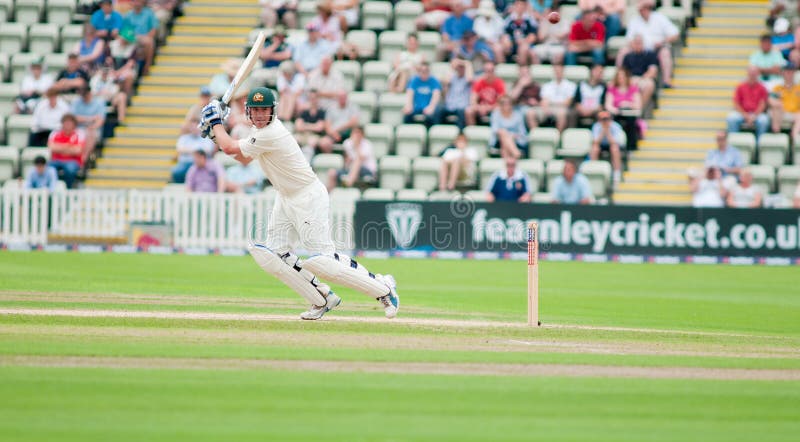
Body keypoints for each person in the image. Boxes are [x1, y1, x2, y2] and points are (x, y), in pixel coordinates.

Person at [200, 86, 400, 320]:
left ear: (273, 112)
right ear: (248, 112)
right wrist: (215, 134)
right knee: (275, 255)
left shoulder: (271, 133)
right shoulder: (259, 136)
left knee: (326, 262)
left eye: (264, 110)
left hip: (307, 197)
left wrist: (215, 124)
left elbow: (230, 147)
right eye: (255, 111)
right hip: (285, 197)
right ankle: (321, 298)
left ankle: (384, 288)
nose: (260, 115)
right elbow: (242, 158)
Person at [618, 0, 679, 88]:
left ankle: (666, 80)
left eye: (644, 9)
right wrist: (636, 46)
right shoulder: (634, 20)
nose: (642, 11)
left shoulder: (659, 18)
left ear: (648, 8)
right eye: (640, 9)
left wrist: (662, 42)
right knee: (623, 51)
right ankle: (619, 77)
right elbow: (629, 39)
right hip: (639, 49)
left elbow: (675, 34)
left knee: (665, 52)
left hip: (656, 49)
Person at [326, 126, 377, 191]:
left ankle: (349, 182)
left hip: (367, 170)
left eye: (358, 133)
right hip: (350, 170)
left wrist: (356, 146)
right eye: (354, 133)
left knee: (357, 161)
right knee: (332, 172)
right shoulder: (347, 143)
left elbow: (361, 158)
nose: (356, 135)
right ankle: (328, 196)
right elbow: (347, 160)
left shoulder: (367, 144)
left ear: (362, 135)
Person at [727, 66, 770, 141]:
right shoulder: (740, 87)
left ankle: (759, 145)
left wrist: (755, 115)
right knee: (732, 118)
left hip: (757, 114)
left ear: (758, 74)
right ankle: (734, 143)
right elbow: (736, 103)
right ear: (747, 73)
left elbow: (763, 104)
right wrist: (745, 115)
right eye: (751, 73)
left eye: (754, 73)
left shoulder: (762, 87)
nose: (752, 75)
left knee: (764, 120)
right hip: (742, 113)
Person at [605, 68, 642, 149]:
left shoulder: (633, 88)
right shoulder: (612, 89)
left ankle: (631, 146)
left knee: (631, 121)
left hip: (630, 113)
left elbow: (638, 105)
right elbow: (608, 105)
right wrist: (617, 109)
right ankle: (616, 144)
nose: (621, 79)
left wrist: (627, 104)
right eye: (619, 77)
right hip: (617, 113)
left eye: (623, 77)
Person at [621, 34, 659, 111]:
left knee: (649, 84)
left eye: (640, 43)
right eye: (636, 43)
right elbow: (624, 72)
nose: (638, 45)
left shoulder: (650, 55)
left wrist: (641, 79)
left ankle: (639, 110)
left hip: (645, 78)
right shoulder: (628, 57)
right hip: (630, 78)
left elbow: (653, 71)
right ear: (632, 44)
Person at [172, 118, 216, 183]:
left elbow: (209, 150)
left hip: (203, 164)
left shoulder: (206, 138)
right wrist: (197, 151)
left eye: (196, 126)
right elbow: (180, 149)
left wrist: (189, 151)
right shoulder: (184, 138)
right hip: (186, 163)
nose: (194, 128)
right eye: (192, 126)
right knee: (176, 171)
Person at [48, 114, 85, 189]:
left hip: (73, 161)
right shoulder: (55, 133)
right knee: (49, 169)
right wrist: (69, 146)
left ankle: (69, 189)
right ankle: (52, 189)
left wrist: (60, 147)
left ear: (74, 124)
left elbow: (78, 150)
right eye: (66, 122)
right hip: (57, 160)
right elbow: (52, 148)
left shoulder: (79, 134)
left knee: (70, 169)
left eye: (70, 122)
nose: (67, 125)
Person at [71, 88, 107, 163]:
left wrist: (92, 126)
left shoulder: (99, 102)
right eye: (83, 95)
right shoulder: (77, 102)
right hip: (77, 128)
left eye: (86, 94)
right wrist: (90, 118)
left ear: (90, 93)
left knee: (90, 134)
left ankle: (83, 160)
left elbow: (100, 120)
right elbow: (73, 118)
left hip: (92, 129)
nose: (84, 97)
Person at [538, 61, 576, 132]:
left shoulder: (570, 85)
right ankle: (536, 135)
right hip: (550, 107)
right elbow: (544, 101)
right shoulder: (547, 85)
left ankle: (558, 137)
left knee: (561, 114)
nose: (558, 72)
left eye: (560, 70)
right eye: (556, 70)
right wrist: (546, 108)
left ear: (563, 71)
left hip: (563, 108)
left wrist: (552, 103)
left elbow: (567, 103)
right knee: (530, 113)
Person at [403, 62, 444, 127]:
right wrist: (409, 105)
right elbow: (410, 93)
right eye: (422, 71)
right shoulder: (414, 80)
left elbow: (436, 95)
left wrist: (431, 107)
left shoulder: (434, 81)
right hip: (417, 107)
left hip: (429, 107)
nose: (424, 72)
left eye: (426, 71)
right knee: (407, 115)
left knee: (432, 116)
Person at [590, 110, 625, 184]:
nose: (605, 121)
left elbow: (615, 142)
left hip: (612, 144)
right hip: (601, 145)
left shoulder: (616, 126)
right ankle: (593, 170)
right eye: (603, 119)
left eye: (606, 119)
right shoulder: (596, 126)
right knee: (594, 148)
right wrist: (603, 131)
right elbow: (596, 141)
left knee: (614, 148)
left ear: (610, 119)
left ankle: (616, 174)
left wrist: (607, 131)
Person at [465, 61, 506, 126]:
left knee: (498, 110)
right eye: (486, 71)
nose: (488, 73)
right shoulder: (479, 82)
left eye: (490, 71)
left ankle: (495, 131)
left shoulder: (499, 83)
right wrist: (479, 107)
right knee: (469, 111)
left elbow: (501, 102)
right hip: (480, 107)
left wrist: (487, 108)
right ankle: (472, 132)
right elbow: (472, 100)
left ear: (494, 72)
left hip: (493, 108)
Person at [124, 0, 158, 74]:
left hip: (145, 37)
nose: (137, 3)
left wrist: (147, 37)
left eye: (139, 1)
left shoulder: (149, 13)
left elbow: (154, 29)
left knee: (149, 42)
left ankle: (146, 67)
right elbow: (125, 31)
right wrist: (132, 38)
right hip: (132, 37)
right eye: (135, 1)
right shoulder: (128, 15)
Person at [502, 0, 539, 65]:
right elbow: (505, 35)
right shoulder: (509, 20)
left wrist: (523, 42)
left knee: (526, 50)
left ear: (525, 6)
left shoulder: (530, 19)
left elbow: (533, 37)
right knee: (501, 48)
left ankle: (523, 70)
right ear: (514, 6)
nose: (520, 7)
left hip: (526, 45)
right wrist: (508, 42)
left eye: (522, 5)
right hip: (512, 46)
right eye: (518, 5)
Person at [294, 89, 328, 158]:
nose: (312, 100)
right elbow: (298, 126)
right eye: (311, 98)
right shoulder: (304, 112)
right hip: (303, 135)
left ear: (318, 99)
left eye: (314, 98)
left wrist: (305, 125)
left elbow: (319, 128)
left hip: (315, 136)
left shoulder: (321, 112)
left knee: (311, 141)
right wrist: (313, 126)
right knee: (293, 140)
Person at [442, 57, 473, 129]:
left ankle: (460, 134)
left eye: (462, 67)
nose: (460, 69)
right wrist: (452, 66)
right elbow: (445, 81)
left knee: (461, 112)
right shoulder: (452, 78)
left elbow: (470, 79)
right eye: (459, 67)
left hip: (462, 107)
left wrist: (467, 63)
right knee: (439, 111)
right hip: (450, 106)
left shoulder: (467, 79)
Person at [770, 64, 800, 137]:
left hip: (795, 112)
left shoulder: (798, 88)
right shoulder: (778, 88)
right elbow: (770, 100)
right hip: (782, 112)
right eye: (787, 72)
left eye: (791, 72)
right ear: (783, 73)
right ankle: (776, 135)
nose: (789, 75)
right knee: (776, 109)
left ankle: (794, 137)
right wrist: (778, 104)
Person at [510, 64, 541, 130]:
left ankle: (535, 135)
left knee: (529, 113)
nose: (524, 76)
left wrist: (536, 103)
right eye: (522, 74)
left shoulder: (535, 86)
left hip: (532, 108)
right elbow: (511, 99)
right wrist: (520, 85)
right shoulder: (516, 84)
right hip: (517, 108)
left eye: (526, 73)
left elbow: (542, 101)